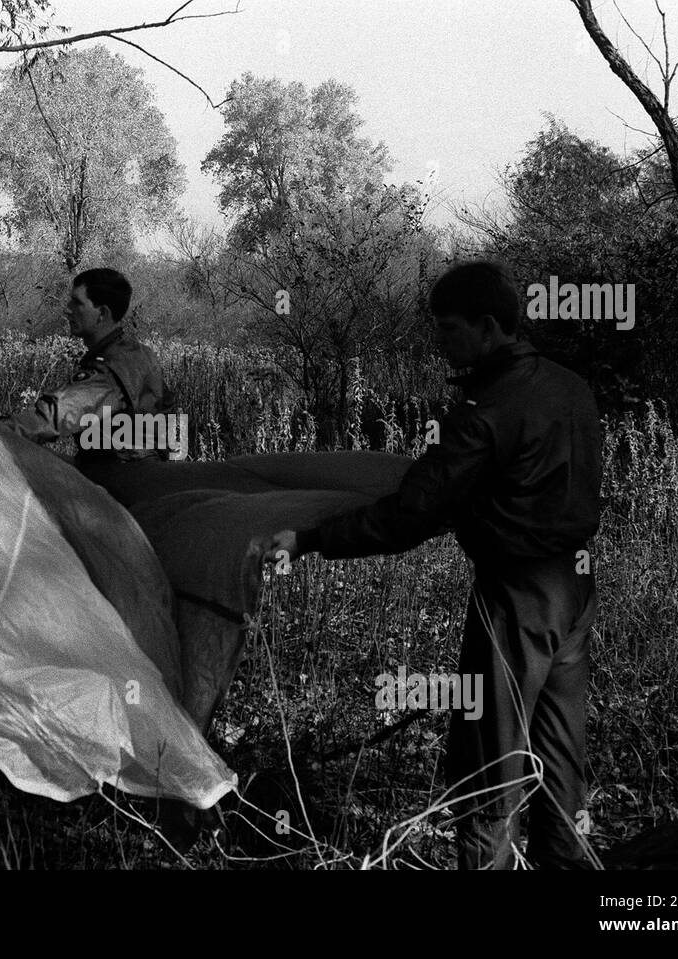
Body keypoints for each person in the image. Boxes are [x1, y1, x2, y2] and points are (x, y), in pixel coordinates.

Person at [262, 260, 603, 869]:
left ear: (490, 326)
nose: (441, 342)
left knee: (488, 768)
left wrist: (309, 539)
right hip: (574, 591)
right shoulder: (570, 386)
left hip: (515, 598)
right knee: (559, 759)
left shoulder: (487, 408)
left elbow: (411, 515)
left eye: (449, 329)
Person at [0, 268, 171, 468]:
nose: (68, 309)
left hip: (117, 475)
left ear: (102, 314)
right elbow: (167, 410)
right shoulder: (140, 352)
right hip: (142, 468)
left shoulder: (110, 369)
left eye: (77, 302)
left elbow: (55, 417)